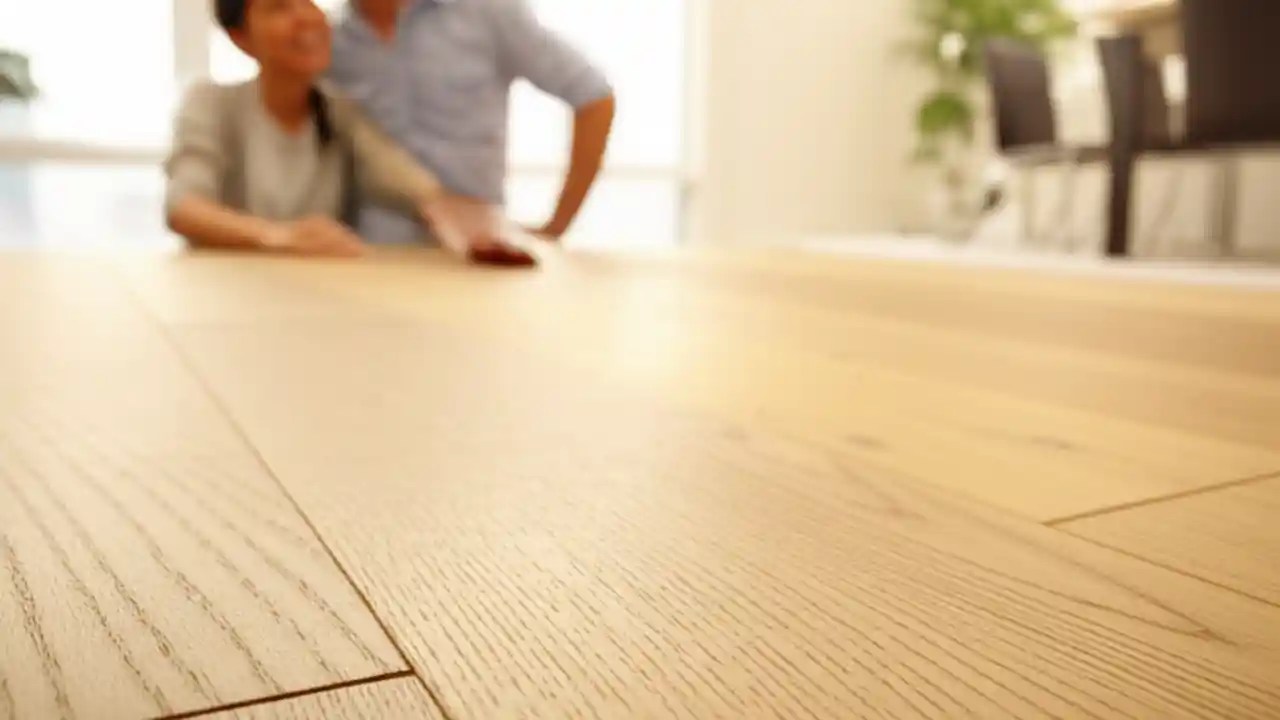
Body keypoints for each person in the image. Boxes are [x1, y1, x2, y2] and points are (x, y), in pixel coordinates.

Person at [166, 0, 533, 263]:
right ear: (240, 37)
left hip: (315, 302)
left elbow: (414, 186)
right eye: (279, 7)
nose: (305, 17)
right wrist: (280, 237)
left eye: (308, 2)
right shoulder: (212, 104)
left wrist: (475, 229)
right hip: (224, 299)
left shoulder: (340, 113)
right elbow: (185, 208)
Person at [328, 0, 616, 246]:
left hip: (477, 252)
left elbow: (593, 97)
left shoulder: (485, 12)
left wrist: (556, 226)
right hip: (366, 255)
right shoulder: (328, 37)